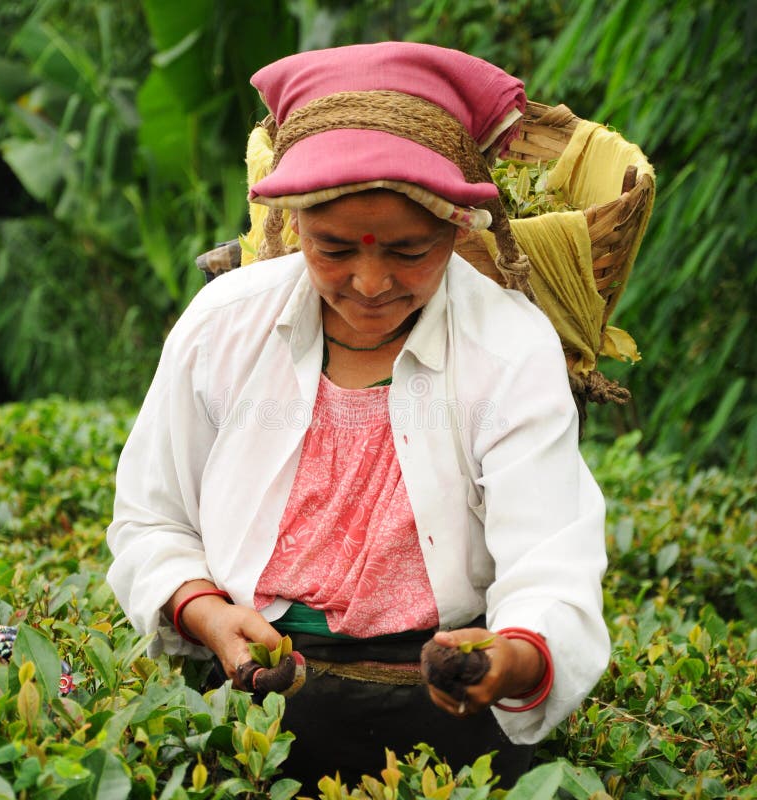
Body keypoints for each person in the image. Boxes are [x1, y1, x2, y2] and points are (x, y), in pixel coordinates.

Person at [106, 42, 609, 791]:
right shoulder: (224, 325)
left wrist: (509, 658)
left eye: (409, 251)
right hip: (250, 707)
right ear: (294, 222)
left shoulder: (507, 347)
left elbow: (550, 562)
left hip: (447, 718)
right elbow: (153, 521)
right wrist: (205, 612)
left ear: (455, 229)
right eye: (334, 248)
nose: (370, 283)